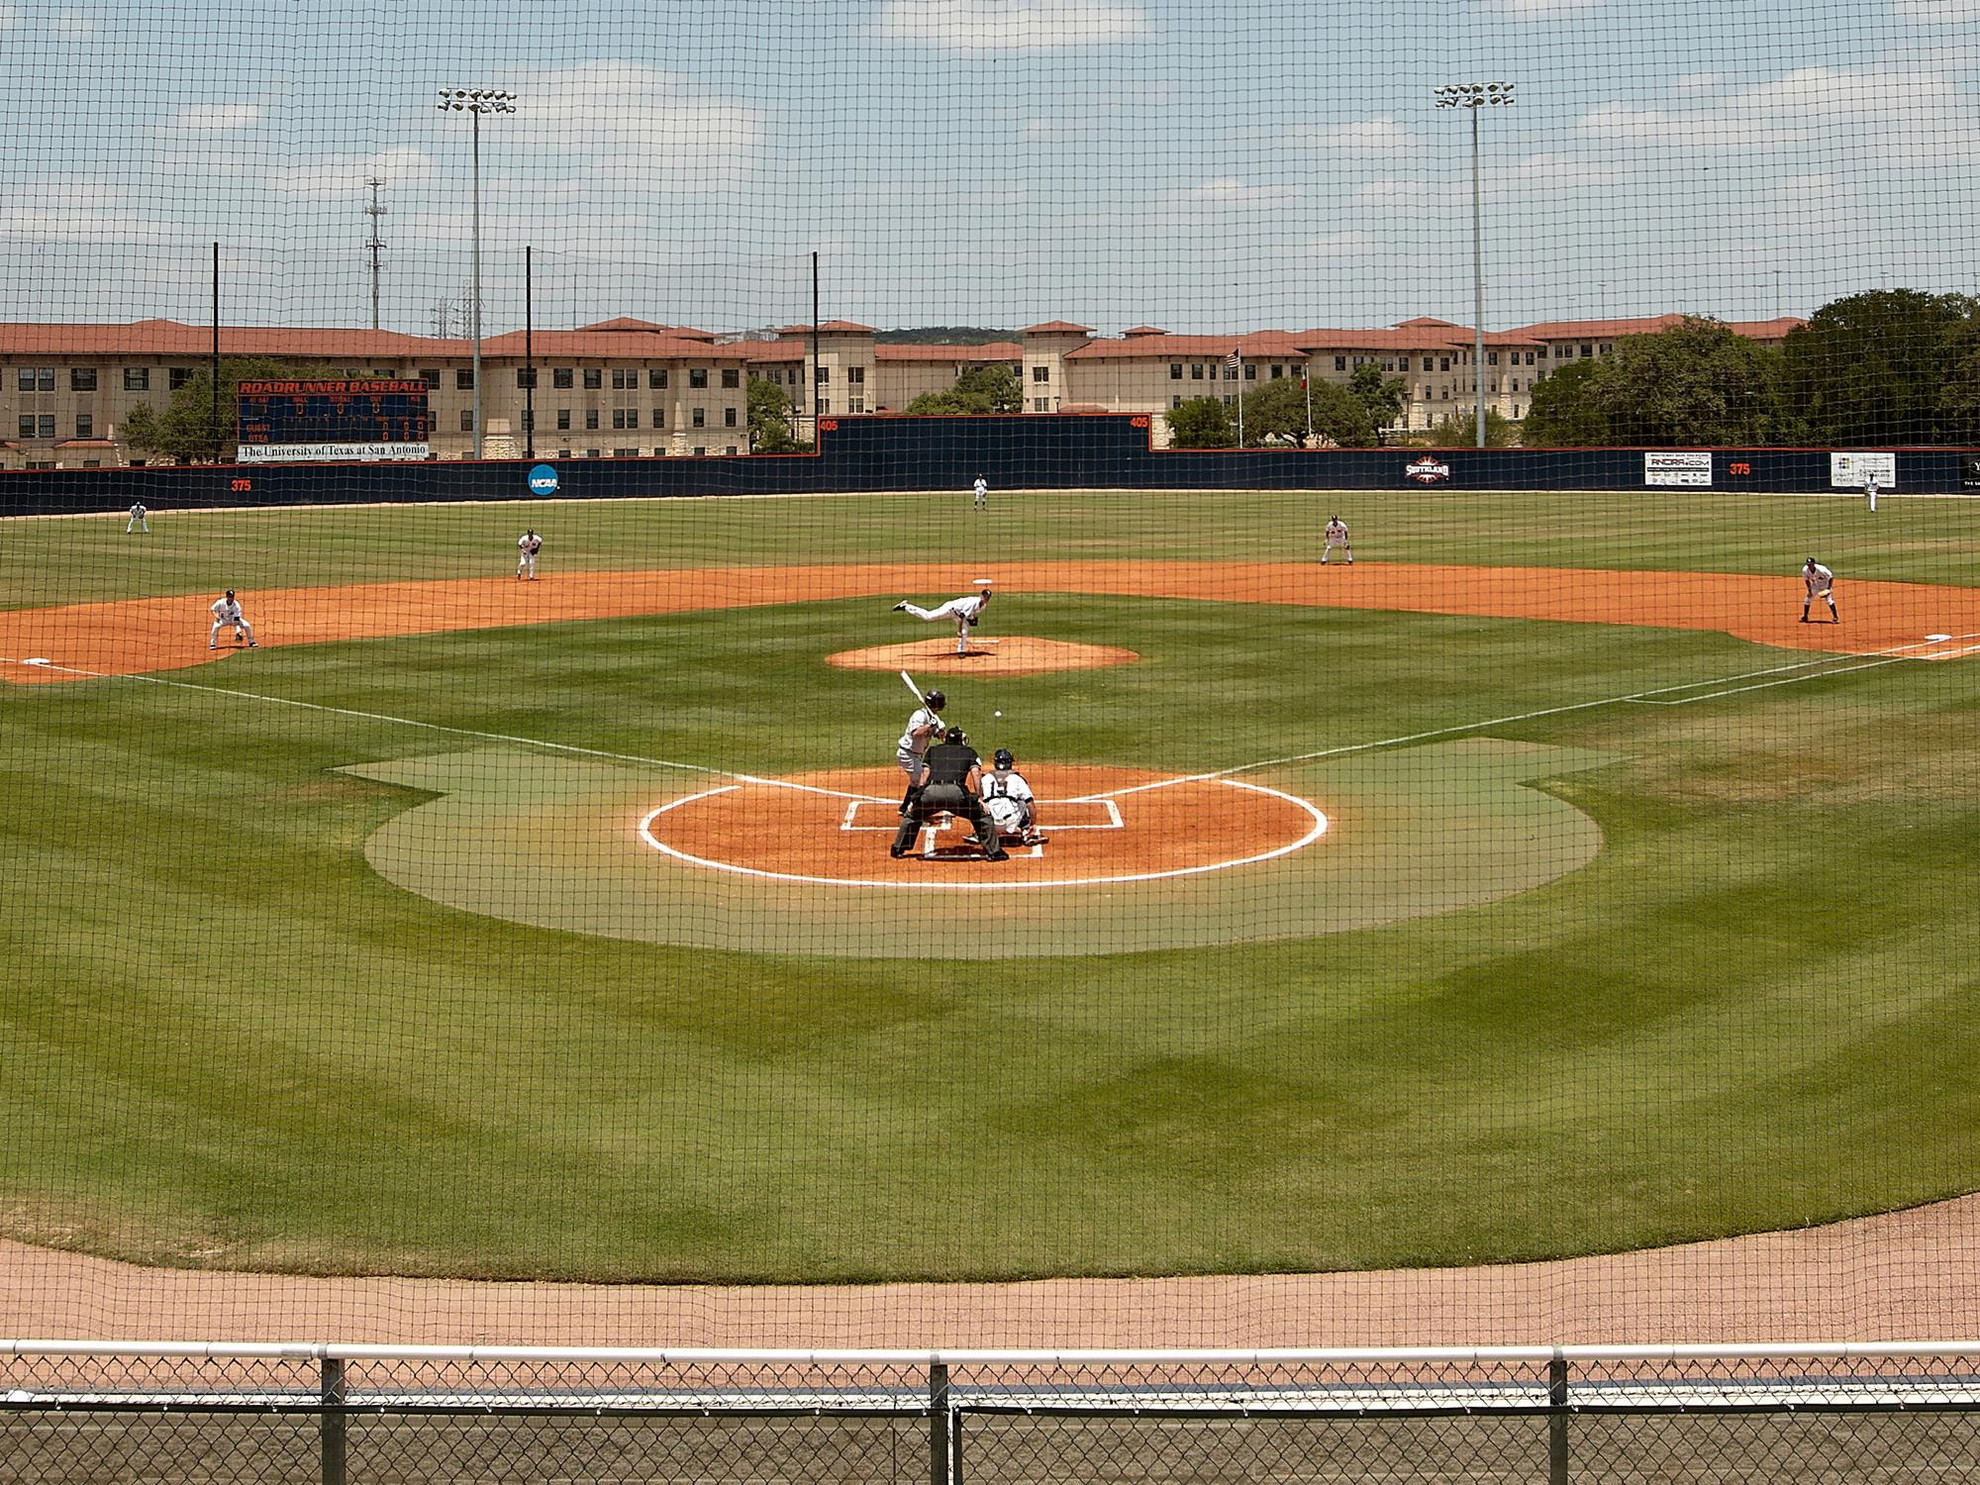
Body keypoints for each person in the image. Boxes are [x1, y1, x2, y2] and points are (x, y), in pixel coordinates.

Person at [891, 726, 1007, 861]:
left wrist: (915, 799)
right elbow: (976, 773)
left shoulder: (933, 750)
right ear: (961, 740)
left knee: (912, 816)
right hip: (956, 793)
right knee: (982, 816)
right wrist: (979, 798)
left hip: (931, 792)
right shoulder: (969, 751)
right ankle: (994, 852)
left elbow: (924, 776)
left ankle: (897, 849)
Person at [892, 583, 992, 657]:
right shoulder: (973, 602)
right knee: (929, 617)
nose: (986, 599)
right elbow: (962, 617)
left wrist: (971, 618)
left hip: (958, 614)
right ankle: (906, 606)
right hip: (950, 609)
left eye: (988, 597)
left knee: (965, 631)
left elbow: (968, 614)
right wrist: (958, 630)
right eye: (985, 597)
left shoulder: (983, 606)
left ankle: (961, 651)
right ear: (981, 596)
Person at [895, 689, 948, 813]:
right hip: (907, 754)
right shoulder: (919, 715)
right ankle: (915, 812)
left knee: (915, 782)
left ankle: (904, 808)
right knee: (923, 781)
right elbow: (916, 733)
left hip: (916, 755)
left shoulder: (932, 717)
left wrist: (940, 729)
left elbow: (941, 737)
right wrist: (930, 725)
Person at [982, 747, 1043, 845]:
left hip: (990, 824)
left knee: (981, 802)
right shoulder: (1017, 779)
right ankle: (1026, 833)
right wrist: (1033, 823)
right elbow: (1030, 804)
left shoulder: (985, 778)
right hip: (1011, 823)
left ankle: (978, 833)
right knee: (1024, 801)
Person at [1801, 557, 1838, 624]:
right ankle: (1805, 617)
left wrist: (1828, 589)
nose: (1810, 566)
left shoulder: (1822, 569)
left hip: (1825, 585)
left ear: (1814, 564)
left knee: (1829, 600)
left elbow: (1831, 577)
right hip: (1815, 585)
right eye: (1808, 565)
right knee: (1807, 600)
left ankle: (1835, 617)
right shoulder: (1805, 570)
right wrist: (1809, 591)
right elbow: (1807, 580)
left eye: (1811, 564)